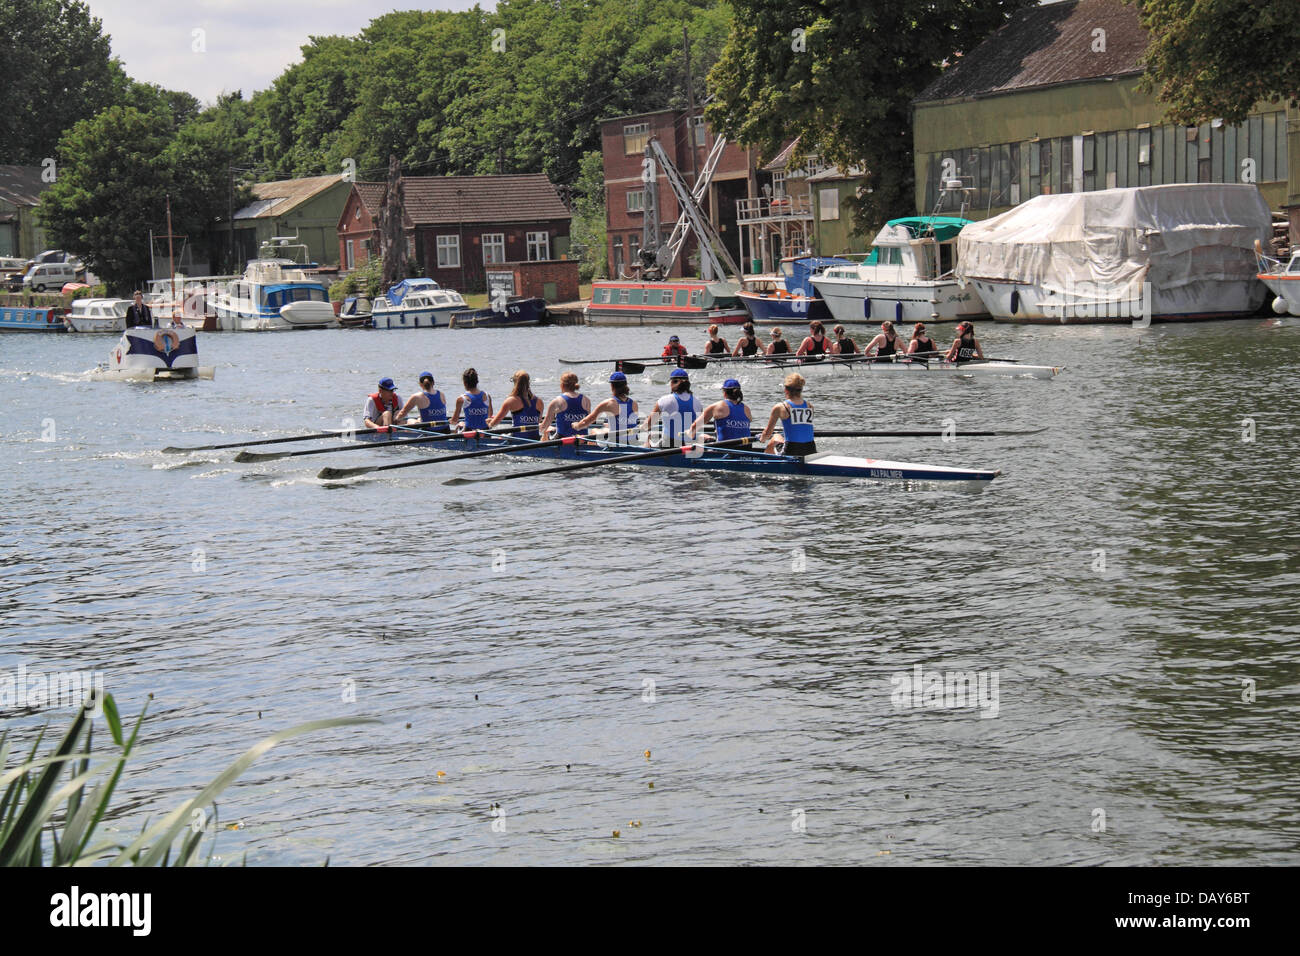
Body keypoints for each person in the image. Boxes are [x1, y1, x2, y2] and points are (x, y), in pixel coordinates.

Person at [573, 371, 640, 444]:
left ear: (612, 386)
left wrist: (577, 426)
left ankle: (590, 453)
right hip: (633, 441)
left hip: (616, 443)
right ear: (626, 385)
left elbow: (586, 422)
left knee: (594, 431)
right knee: (606, 429)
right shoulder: (634, 403)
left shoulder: (609, 403)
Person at [760, 373, 816, 457]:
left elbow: (768, 433)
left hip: (791, 451)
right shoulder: (810, 406)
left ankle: (764, 465)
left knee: (775, 437)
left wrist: (762, 439)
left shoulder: (781, 407)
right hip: (811, 450)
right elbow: (800, 428)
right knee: (780, 436)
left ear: (786, 390)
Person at [643, 367, 702, 447]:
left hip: (669, 446)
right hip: (690, 444)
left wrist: (642, 427)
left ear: (672, 383)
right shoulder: (698, 402)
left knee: (646, 442)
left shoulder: (664, 400)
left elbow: (648, 425)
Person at [690, 379, 755, 444]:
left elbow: (694, 426)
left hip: (724, 450)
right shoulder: (747, 409)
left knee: (701, 436)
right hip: (746, 449)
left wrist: (688, 436)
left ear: (724, 393)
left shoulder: (717, 406)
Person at [488, 369, 545, 439]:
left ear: (515, 382)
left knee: (501, 437)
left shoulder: (510, 401)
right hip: (534, 440)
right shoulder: (539, 402)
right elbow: (538, 421)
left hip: (517, 441)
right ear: (528, 383)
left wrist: (489, 423)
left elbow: (494, 423)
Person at [538, 371, 591, 438]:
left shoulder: (556, 401)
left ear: (562, 385)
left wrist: (541, 426)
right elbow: (588, 422)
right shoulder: (586, 400)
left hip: (562, 441)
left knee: (546, 433)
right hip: (582, 440)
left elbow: (544, 427)